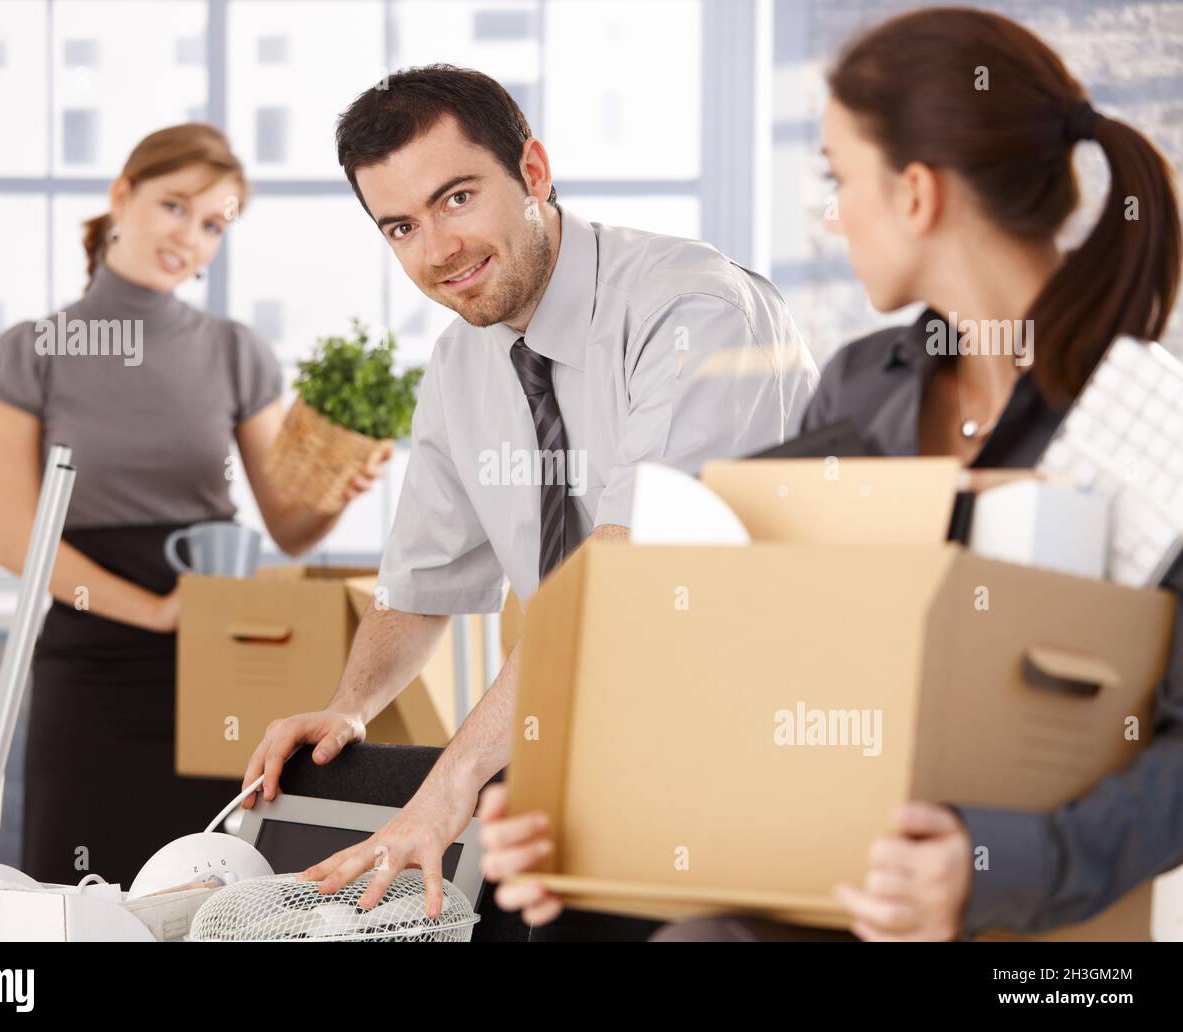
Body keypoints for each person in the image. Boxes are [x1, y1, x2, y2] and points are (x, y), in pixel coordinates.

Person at [477, 6, 1183, 942]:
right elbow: (755, 659)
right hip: (825, 883)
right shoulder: (863, 386)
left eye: (837, 178)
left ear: (918, 194)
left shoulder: (1150, 427)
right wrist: (581, 804)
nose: (830, 213)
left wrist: (988, 868)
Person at [241, 65, 818, 918]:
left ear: (534, 172)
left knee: (465, 828)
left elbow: (621, 584)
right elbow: (421, 583)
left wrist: (455, 783)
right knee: (321, 796)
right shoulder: (461, 360)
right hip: (591, 754)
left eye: (458, 199)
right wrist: (350, 706)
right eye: (401, 226)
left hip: (753, 750)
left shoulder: (693, 309)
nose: (438, 250)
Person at [0, 123, 386, 888]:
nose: (191, 238)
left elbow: (291, 531)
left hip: (224, 665)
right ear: (121, 197)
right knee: (80, 894)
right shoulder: (31, 351)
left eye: (213, 225)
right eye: (175, 207)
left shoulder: (236, 351)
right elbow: (15, 542)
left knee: (220, 891)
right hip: (93, 662)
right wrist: (161, 613)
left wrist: (340, 490)